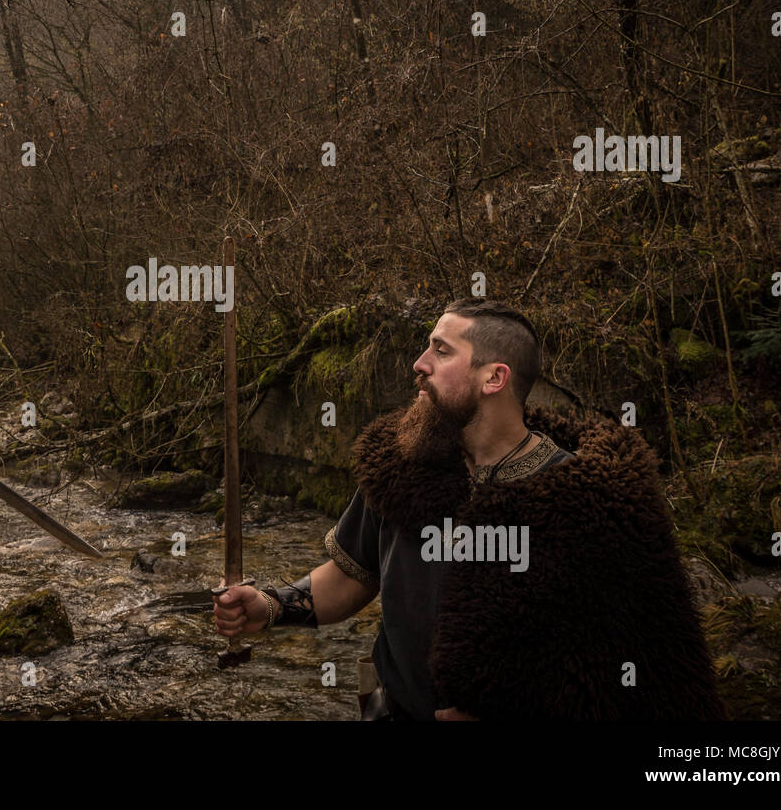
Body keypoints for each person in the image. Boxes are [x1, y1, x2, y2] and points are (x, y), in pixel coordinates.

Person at [214, 298, 724, 720]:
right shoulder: (402, 466)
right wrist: (272, 605)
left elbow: (630, 667)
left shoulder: (586, 499)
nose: (419, 363)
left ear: (494, 378)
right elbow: (352, 576)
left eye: (441, 350)